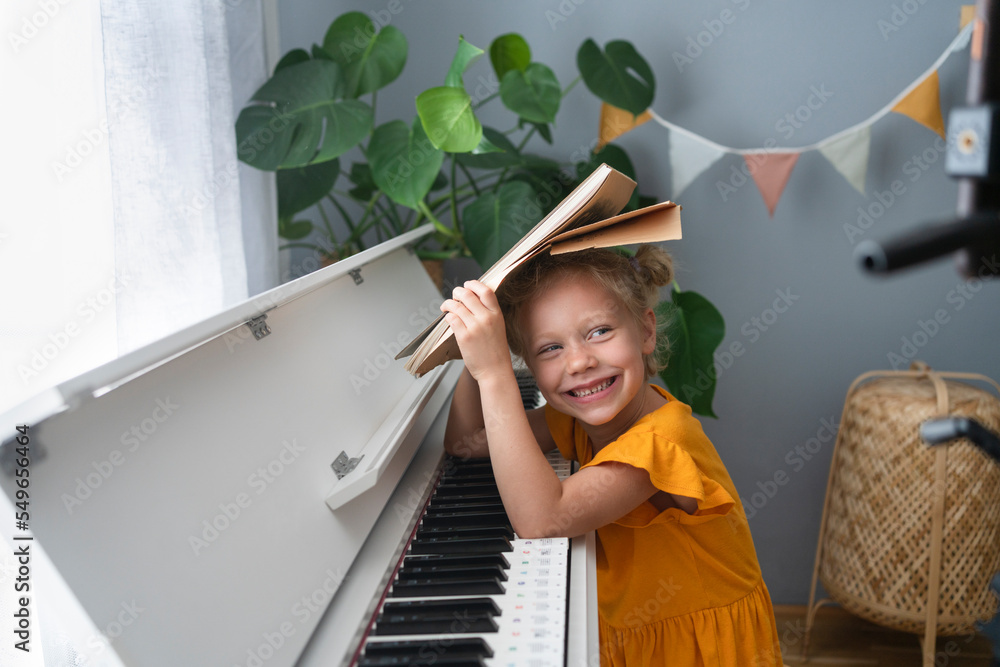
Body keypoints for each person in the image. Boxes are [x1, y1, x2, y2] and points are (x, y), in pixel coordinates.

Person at [441, 244, 783, 666]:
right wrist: (474, 353)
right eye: (550, 348)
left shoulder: (660, 442)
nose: (580, 362)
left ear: (646, 331)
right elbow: (467, 441)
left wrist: (493, 373)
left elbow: (542, 519)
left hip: (696, 649)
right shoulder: (580, 418)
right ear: (527, 360)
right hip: (635, 631)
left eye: (599, 331)